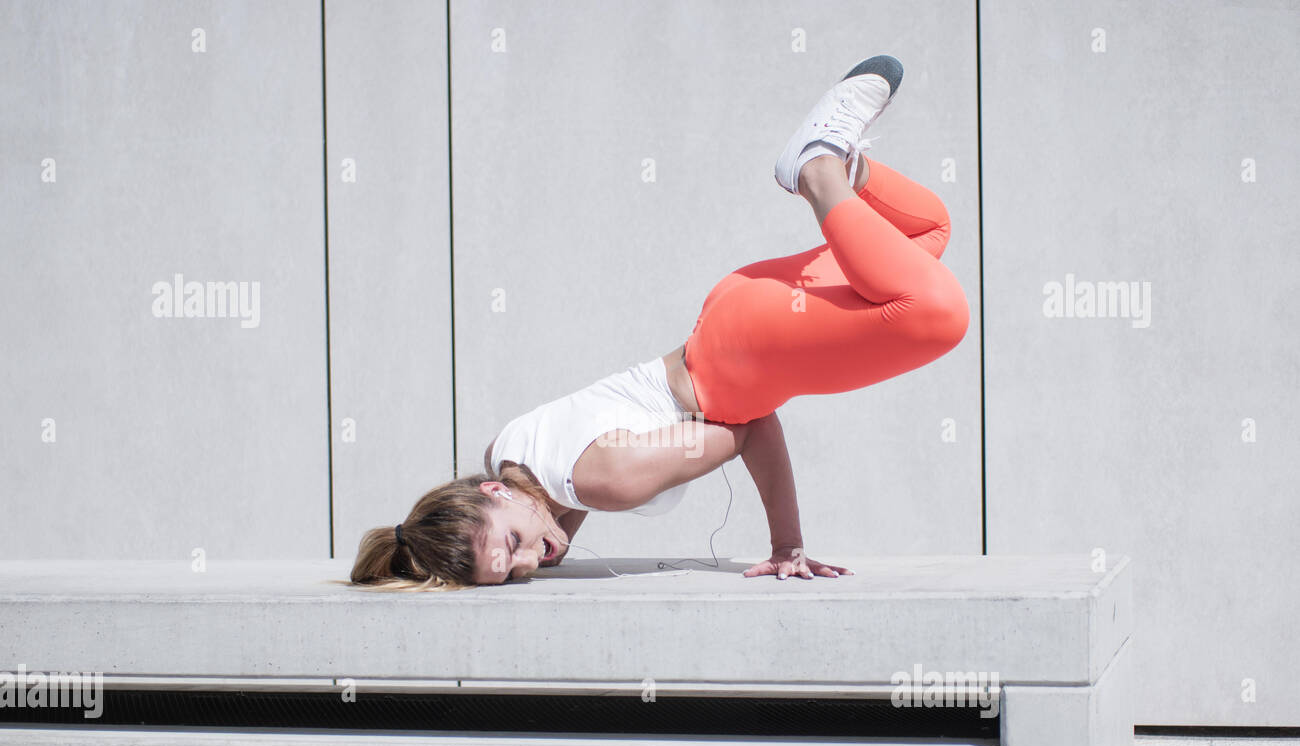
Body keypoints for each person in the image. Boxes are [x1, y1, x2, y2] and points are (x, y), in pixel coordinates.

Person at [350, 54, 968, 591]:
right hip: (735, 317)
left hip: (745, 352)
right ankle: (848, 169)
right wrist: (545, 533)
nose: (528, 564)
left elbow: (748, 427)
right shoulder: (507, 455)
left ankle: (818, 165)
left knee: (937, 316)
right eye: (508, 573)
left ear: (493, 493)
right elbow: (563, 481)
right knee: (922, 235)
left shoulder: (605, 481)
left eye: (511, 546)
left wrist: (787, 544)